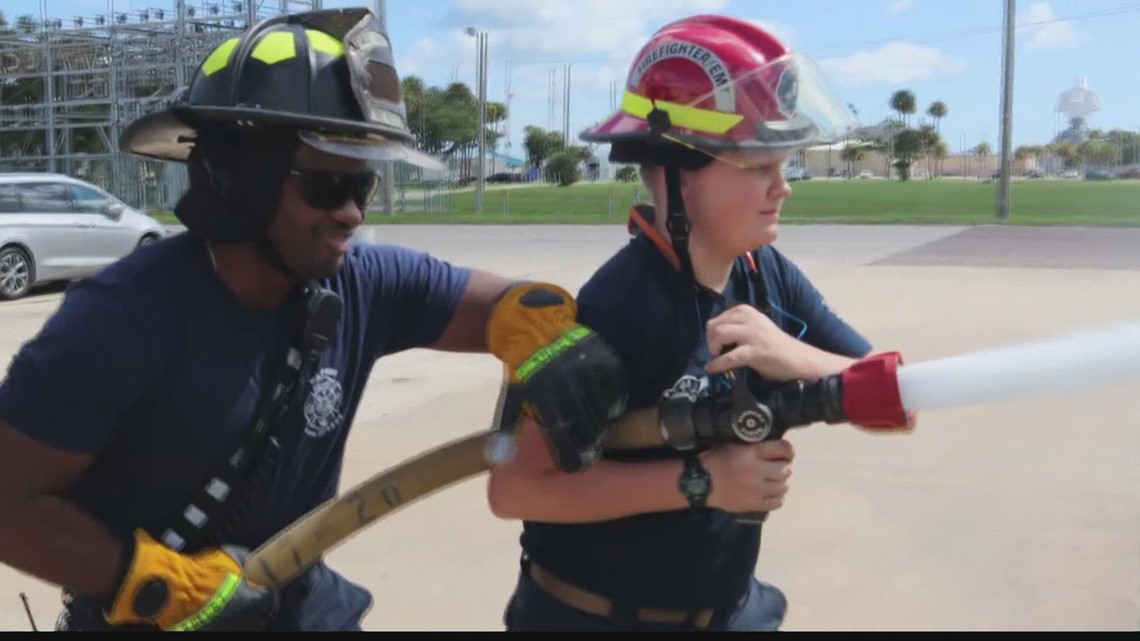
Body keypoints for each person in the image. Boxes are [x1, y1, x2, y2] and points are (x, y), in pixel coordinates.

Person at [0, 8, 627, 632]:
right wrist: (160, 587)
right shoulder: (117, 323)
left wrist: (543, 333)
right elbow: (9, 506)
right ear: (238, 179)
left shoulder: (361, 283)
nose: (352, 214)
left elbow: (500, 304)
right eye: (328, 186)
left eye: (364, 189)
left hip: (303, 612)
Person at [487, 14, 914, 632]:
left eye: (784, 163)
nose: (782, 187)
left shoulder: (766, 275)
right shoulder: (615, 308)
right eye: (756, 166)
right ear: (677, 173)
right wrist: (699, 482)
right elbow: (514, 490)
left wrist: (796, 359)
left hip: (728, 613)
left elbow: (900, 404)